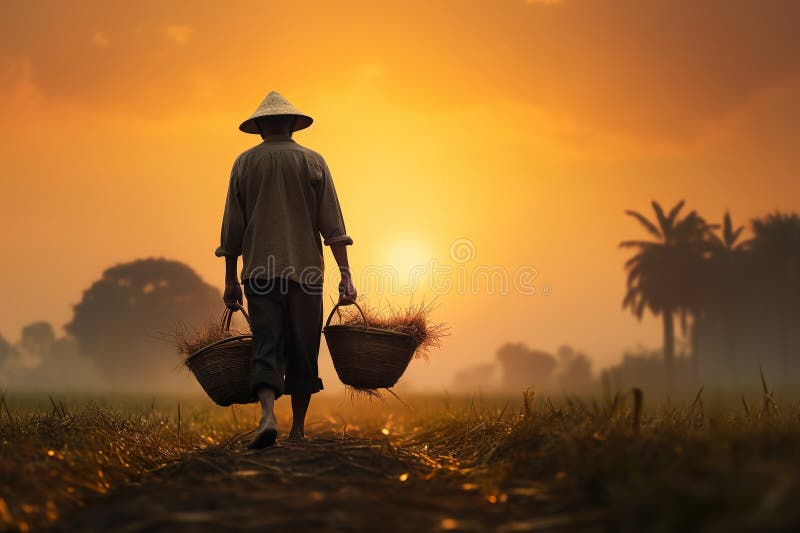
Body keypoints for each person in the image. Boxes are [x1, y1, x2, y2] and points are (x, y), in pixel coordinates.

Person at [215, 91, 356, 449]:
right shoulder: (313, 162)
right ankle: (298, 430)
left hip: (260, 271)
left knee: (266, 344)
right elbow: (333, 226)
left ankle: (267, 416)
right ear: (293, 125)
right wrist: (345, 274)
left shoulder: (244, 164)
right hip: (306, 272)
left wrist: (230, 278)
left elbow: (233, 228)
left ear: (260, 127)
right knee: (303, 348)